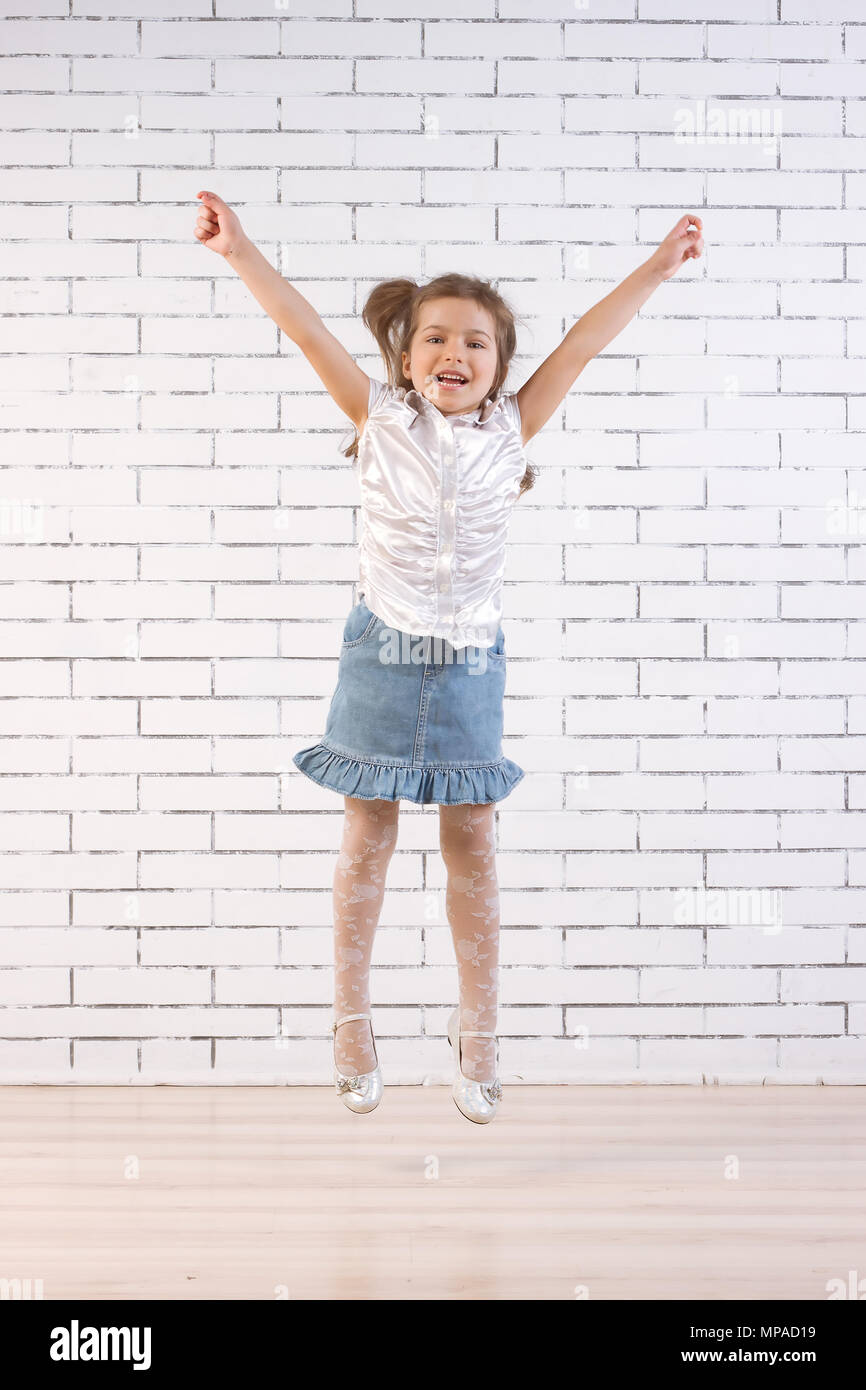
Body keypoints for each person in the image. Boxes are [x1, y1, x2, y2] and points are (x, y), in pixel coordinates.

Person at [193, 191, 703, 1123]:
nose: (452, 355)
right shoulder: (379, 416)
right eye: (433, 339)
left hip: (472, 660)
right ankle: (352, 1022)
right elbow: (306, 333)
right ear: (404, 356)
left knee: (472, 838)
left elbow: (584, 344)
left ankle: (481, 1029)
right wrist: (242, 252)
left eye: (474, 342)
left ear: (501, 367)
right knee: (368, 833)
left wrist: (657, 269)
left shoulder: (512, 428)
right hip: (380, 650)